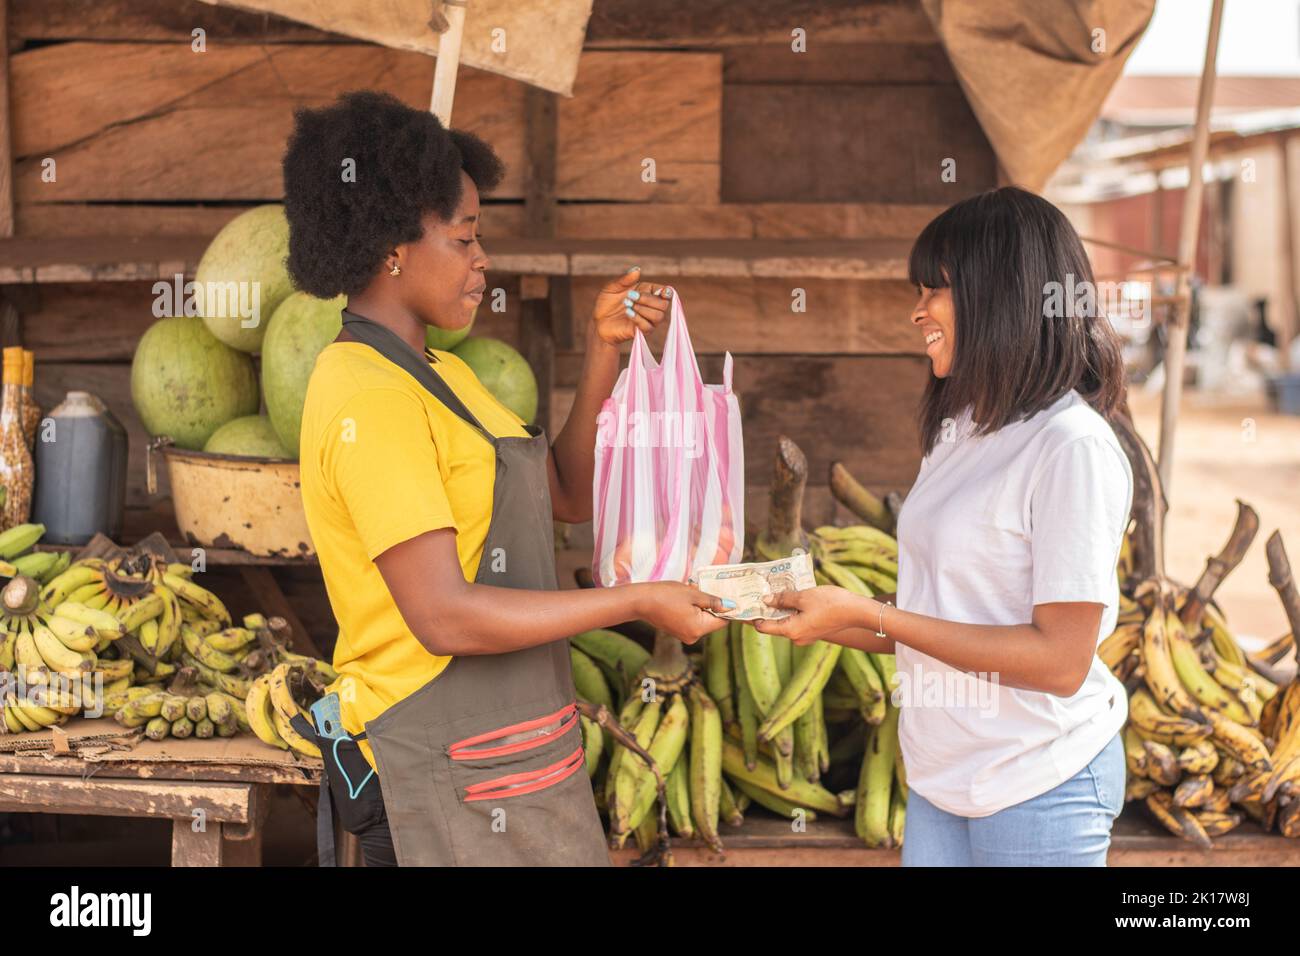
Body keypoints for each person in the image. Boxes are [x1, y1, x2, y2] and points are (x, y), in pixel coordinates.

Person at [282, 90, 729, 867]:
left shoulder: (442, 372)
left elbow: (564, 495)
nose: (481, 259)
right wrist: (634, 601)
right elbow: (444, 618)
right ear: (392, 248)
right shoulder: (366, 396)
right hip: (435, 777)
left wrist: (601, 355)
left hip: (516, 762)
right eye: (464, 238)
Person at [756, 187, 1134, 866]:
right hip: (939, 781)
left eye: (937, 291)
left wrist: (873, 615)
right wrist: (792, 609)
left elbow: (1059, 661)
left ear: (1006, 297)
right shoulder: (960, 430)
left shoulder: (1070, 447)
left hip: (1038, 783)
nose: (917, 310)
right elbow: (943, 617)